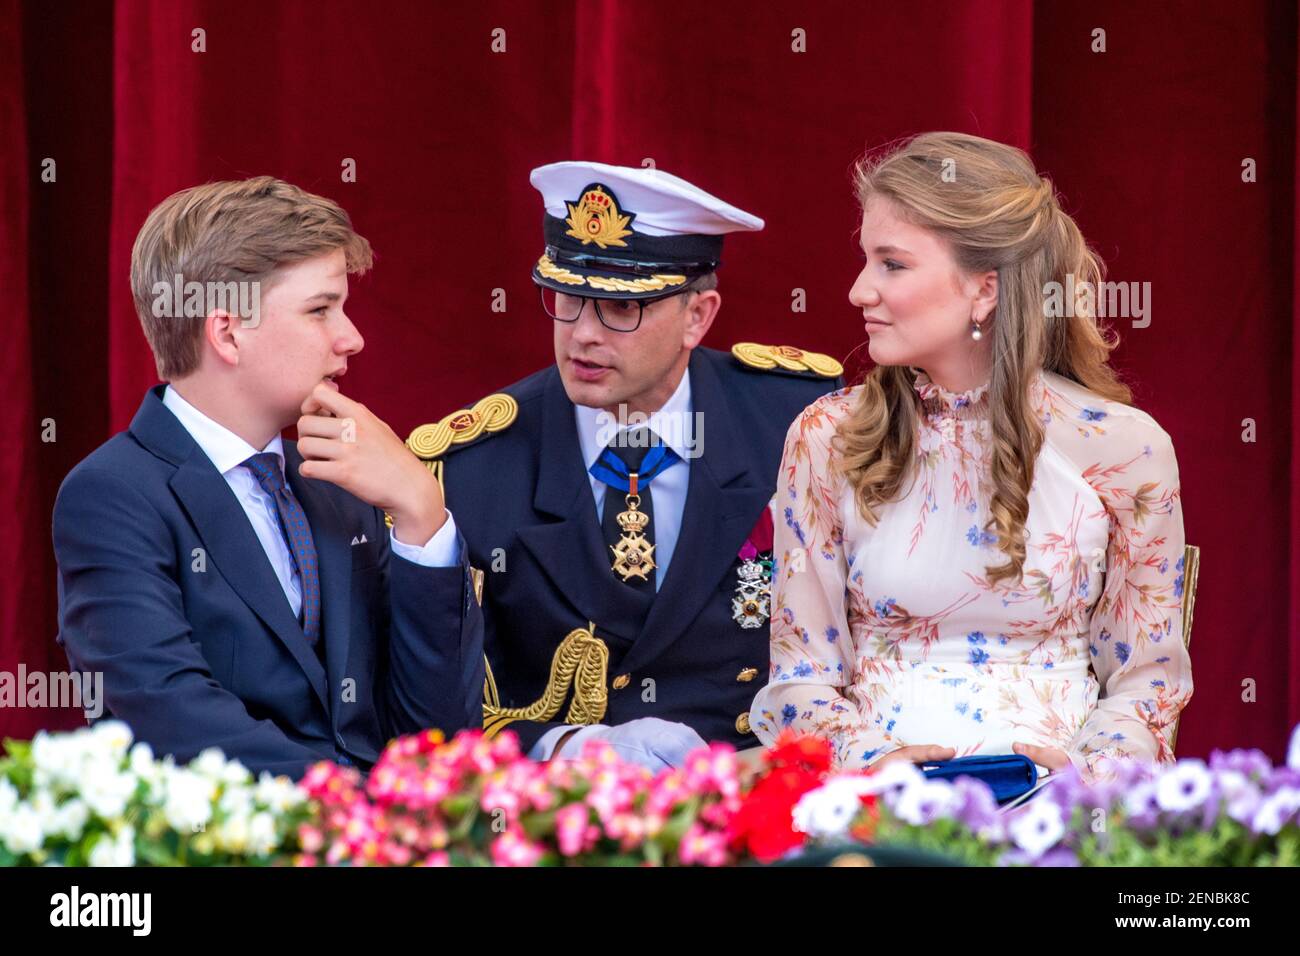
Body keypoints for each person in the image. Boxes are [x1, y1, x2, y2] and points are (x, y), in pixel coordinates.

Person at [749, 132, 1192, 783]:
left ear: (984, 291)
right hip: (868, 809)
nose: (858, 291)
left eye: (891, 265)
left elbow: (1147, 684)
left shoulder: (1128, 448)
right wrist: (873, 763)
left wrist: (1085, 773)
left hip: (1058, 812)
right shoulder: (825, 437)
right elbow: (801, 679)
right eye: (865, 260)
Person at [410, 162, 842, 770]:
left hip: (772, 793)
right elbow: (430, 709)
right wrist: (563, 748)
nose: (582, 335)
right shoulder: (473, 465)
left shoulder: (798, 424)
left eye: (621, 308)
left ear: (698, 316)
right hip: (574, 819)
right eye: (567, 298)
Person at [53, 177, 484, 780]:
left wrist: (420, 515)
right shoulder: (114, 496)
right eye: (320, 309)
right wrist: (364, 813)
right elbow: (167, 717)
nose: (351, 338)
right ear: (228, 332)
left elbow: (436, 741)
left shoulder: (339, 486)